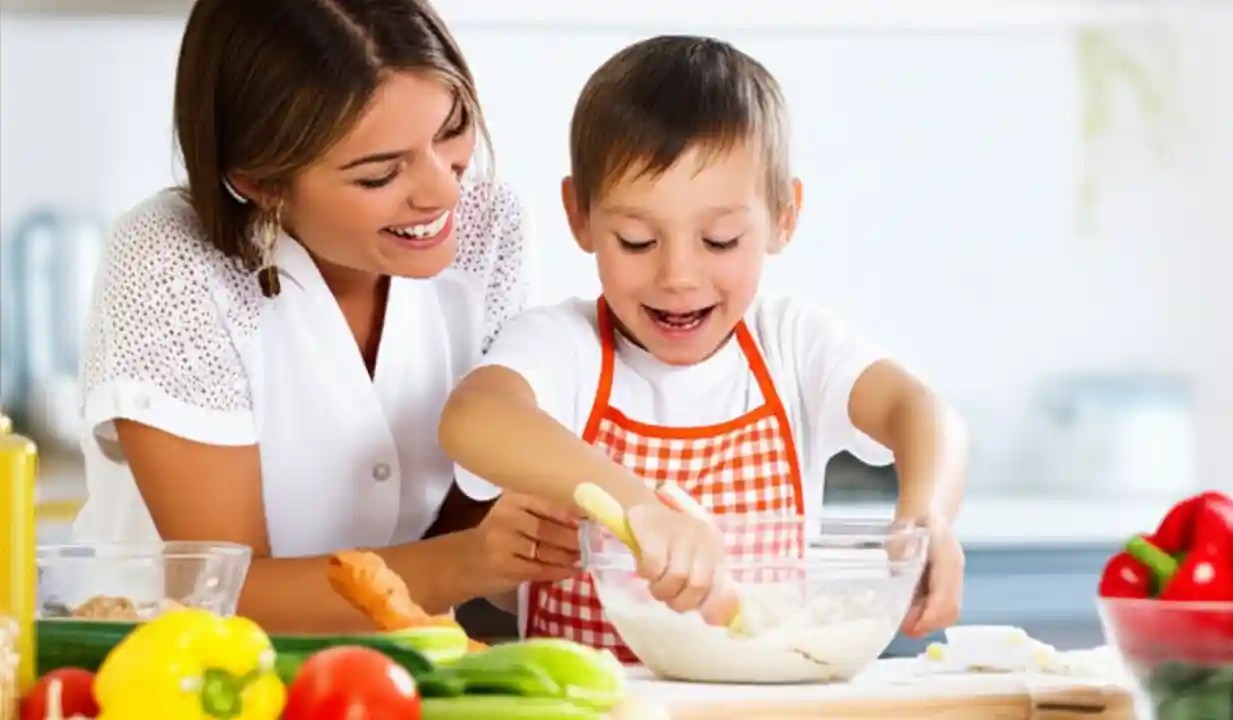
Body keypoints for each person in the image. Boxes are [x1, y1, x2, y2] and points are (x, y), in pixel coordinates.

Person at [439, 35, 969, 660]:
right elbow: (474, 418)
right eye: (637, 240)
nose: (679, 277)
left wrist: (925, 519)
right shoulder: (565, 348)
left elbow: (920, 409)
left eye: (719, 241)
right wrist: (638, 509)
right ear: (579, 215)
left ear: (783, 216)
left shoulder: (792, 346)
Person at [73, 0, 582, 634]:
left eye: (451, 130)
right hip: (167, 670)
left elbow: (476, 492)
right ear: (258, 181)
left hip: (392, 668)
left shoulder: (489, 224)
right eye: (380, 173)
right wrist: (474, 562)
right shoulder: (168, 261)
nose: (445, 190)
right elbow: (224, 592)